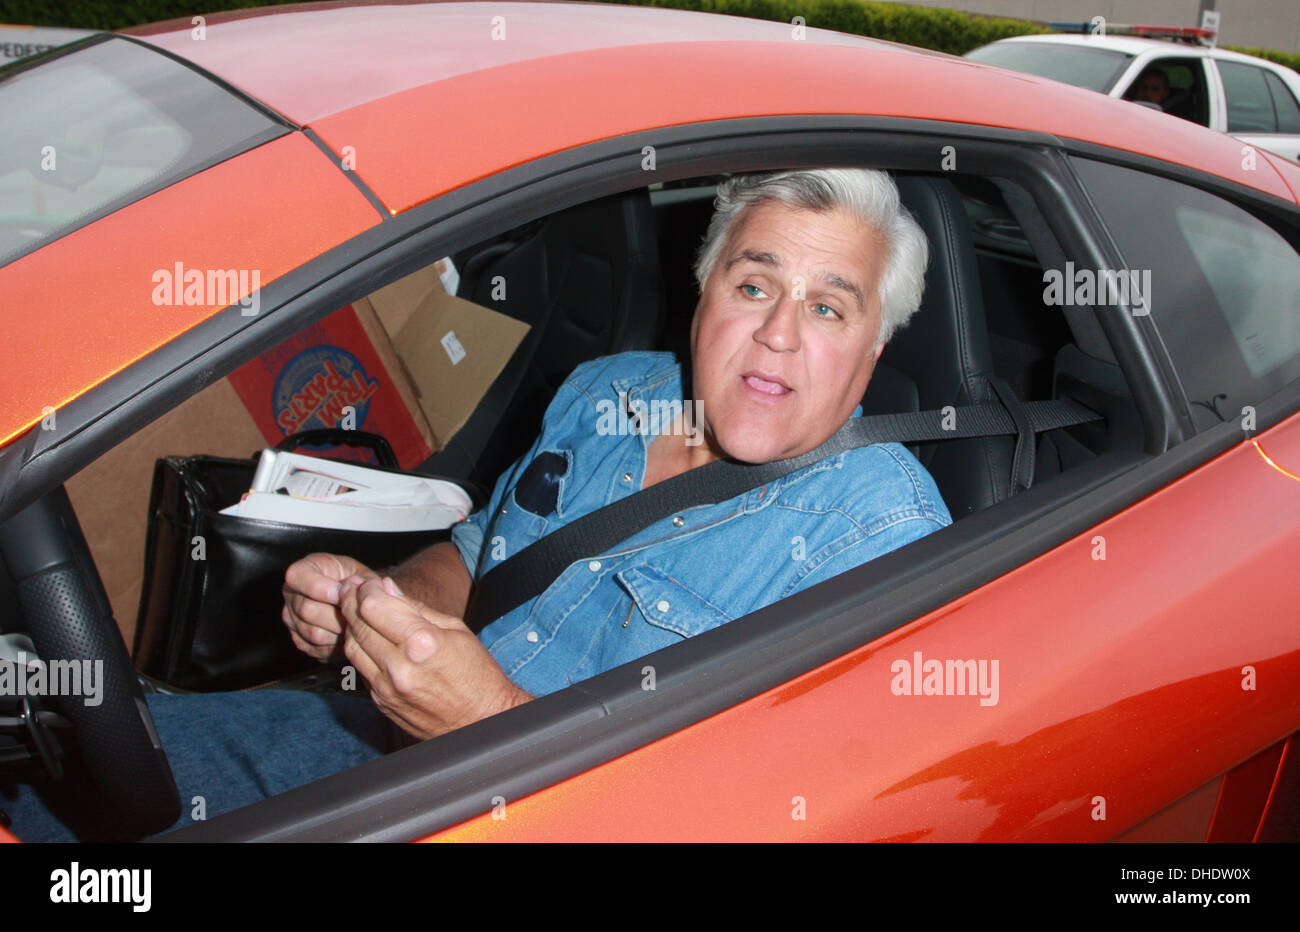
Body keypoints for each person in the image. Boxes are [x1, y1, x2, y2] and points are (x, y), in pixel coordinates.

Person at [5, 167, 953, 840]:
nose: (779, 333)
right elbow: (475, 553)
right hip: (368, 747)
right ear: (704, 294)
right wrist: (383, 607)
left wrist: (487, 723)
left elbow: (760, 820)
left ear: (874, 349)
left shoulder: (881, 541)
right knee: (72, 775)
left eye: (830, 307)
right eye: (754, 284)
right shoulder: (610, 390)